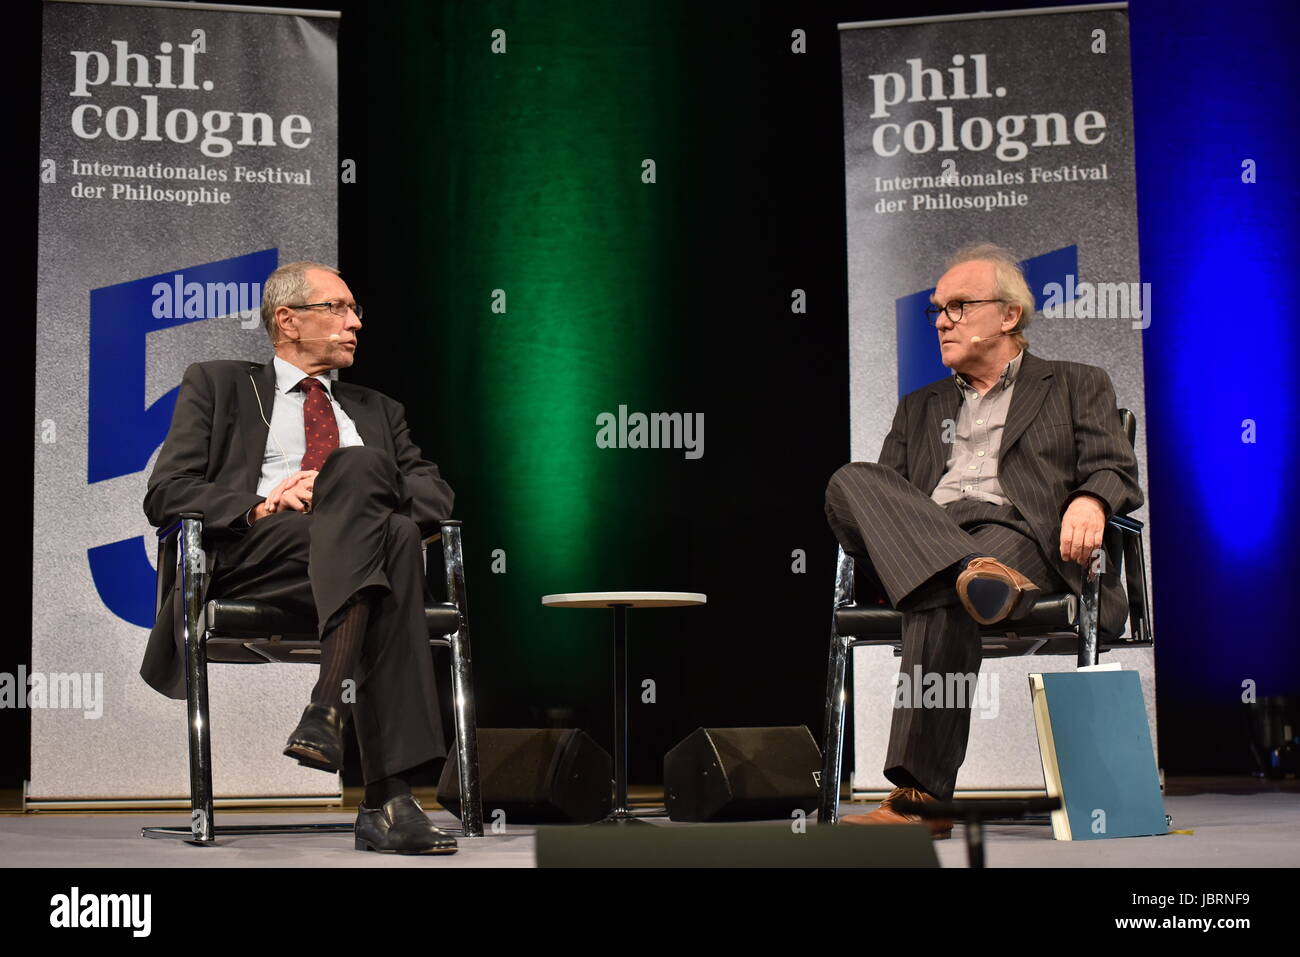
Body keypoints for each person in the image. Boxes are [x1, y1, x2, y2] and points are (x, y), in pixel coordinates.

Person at [824, 242, 1142, 838]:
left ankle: (920, 800)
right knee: (851, 481)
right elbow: (881, 502)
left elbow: (1116, 469)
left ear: (1008, 316)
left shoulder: (1075, 383)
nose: (941, 321)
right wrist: (952, 554)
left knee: (937, 590)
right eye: (936, 311)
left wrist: (1091, 499)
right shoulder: (919, 407)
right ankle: (970, 572)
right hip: (938, 541)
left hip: (1024, 539)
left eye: (958, 306)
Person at [141, 260, 458, 854]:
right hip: (260, 556)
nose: (355, 322)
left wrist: (346, 491)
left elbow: (434, 494)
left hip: (350, 561)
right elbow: (167, 491)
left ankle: (331, 719)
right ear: (287, 320)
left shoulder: (378, 410)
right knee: (388, 539)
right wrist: (264, 501)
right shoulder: (218, 383)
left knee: (372, 502)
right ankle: (390, 795)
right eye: (337, 308)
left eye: (355, 310)